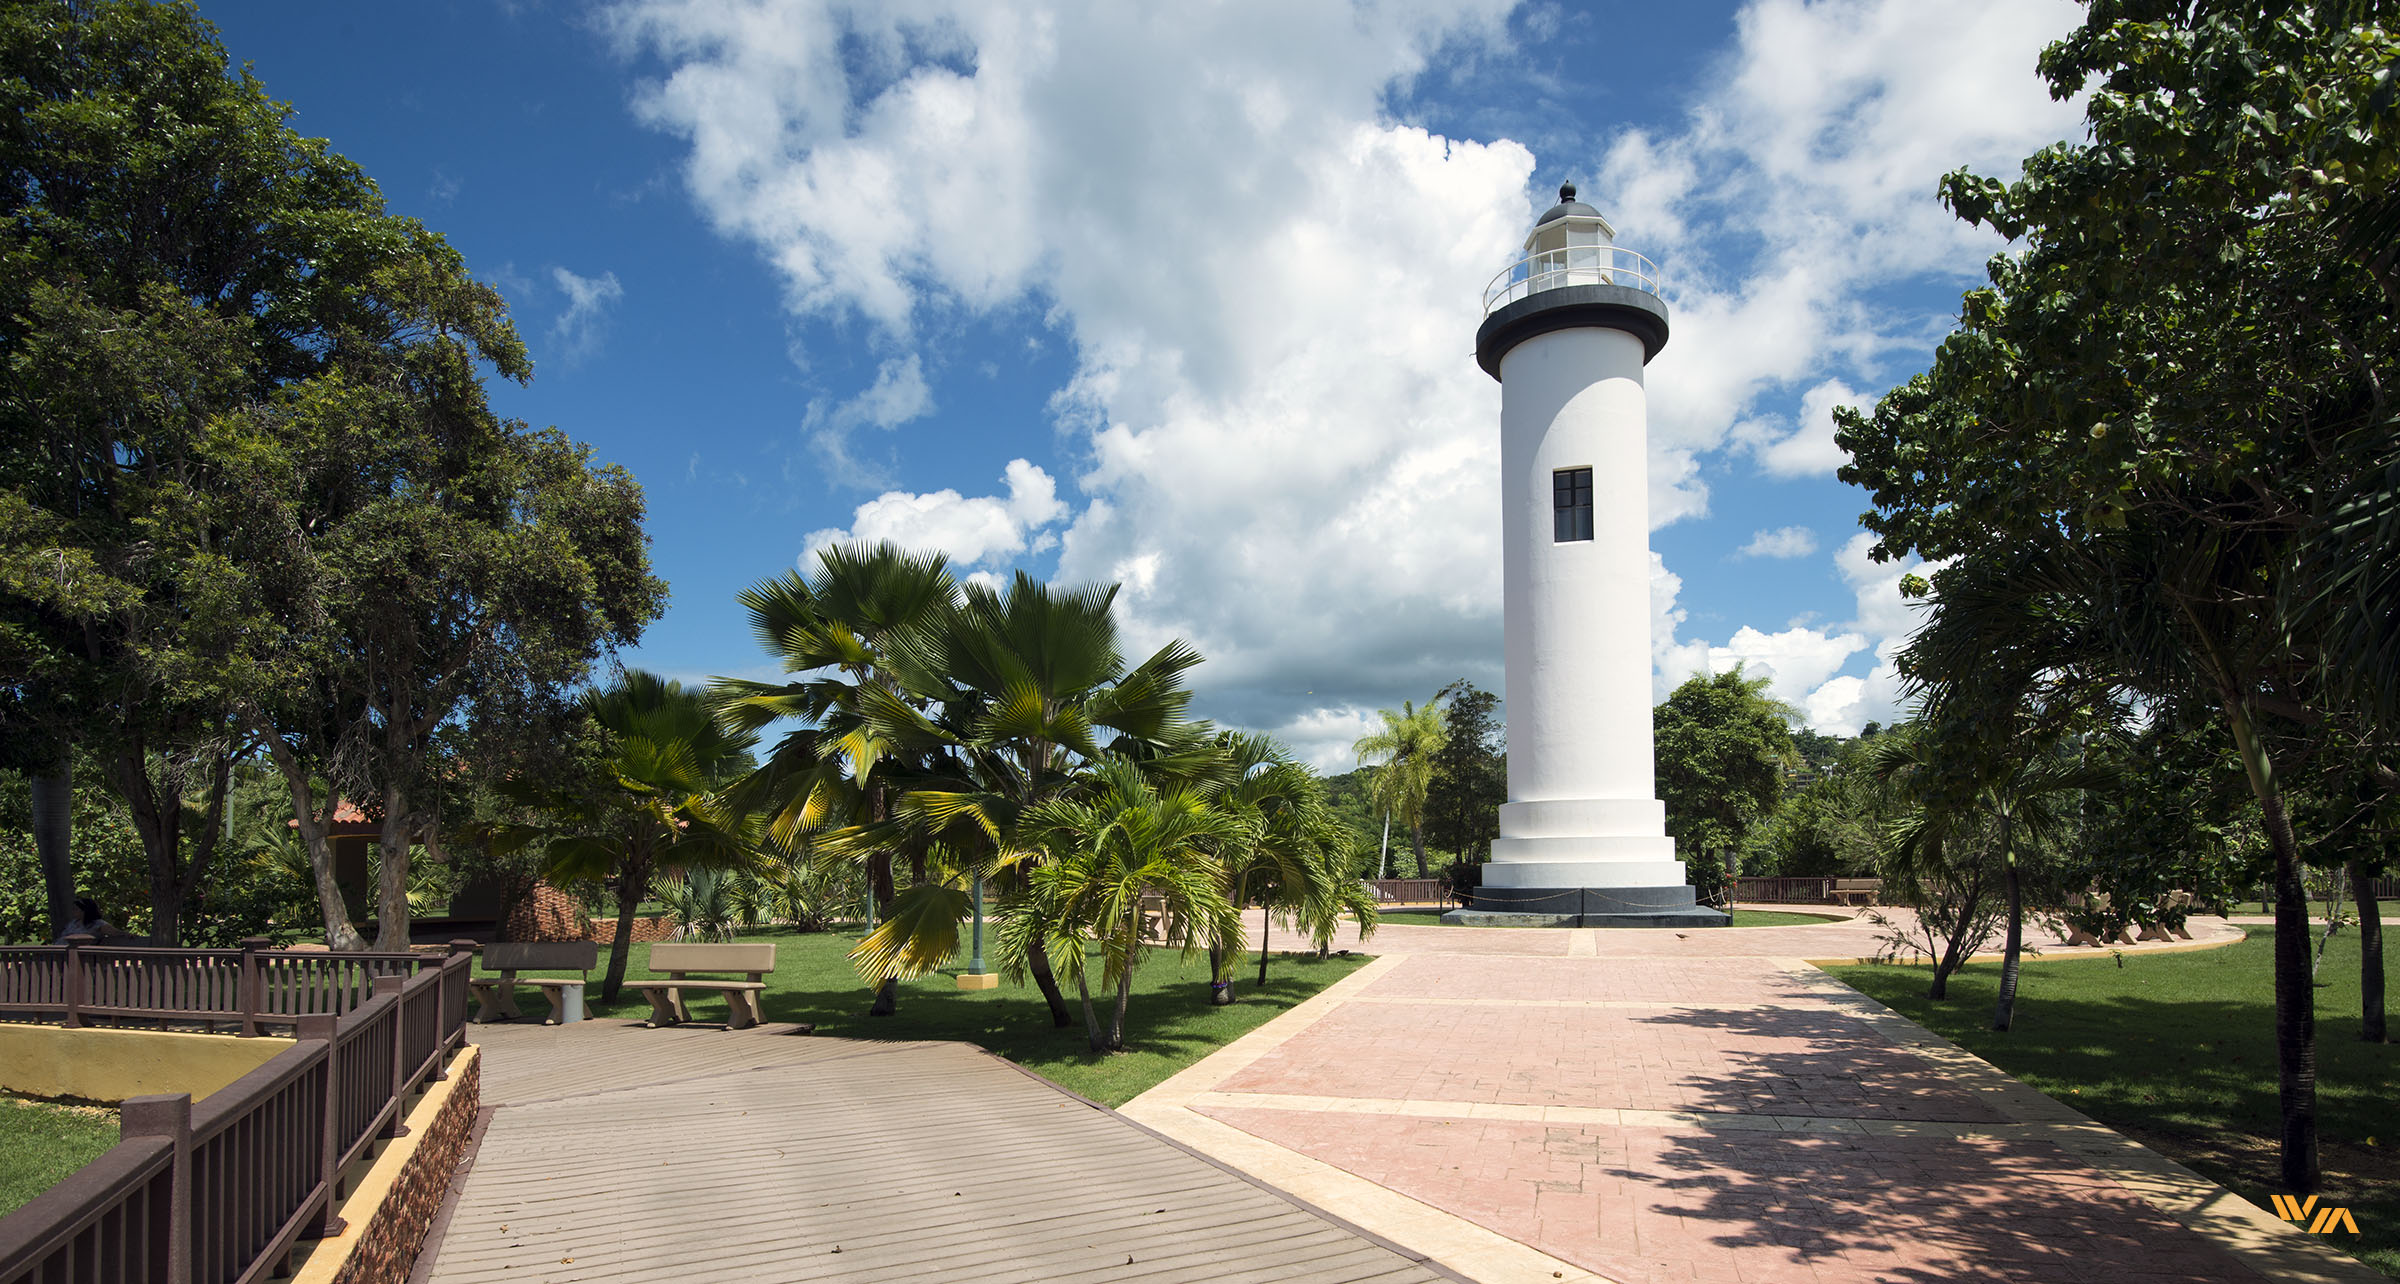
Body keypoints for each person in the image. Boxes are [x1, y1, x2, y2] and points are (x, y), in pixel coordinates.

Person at [54, 897, 122, 943]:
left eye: (76, 909)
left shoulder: (97, 924)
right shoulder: (73, 923)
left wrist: (128, 935)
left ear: (84, 910)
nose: (73, 911)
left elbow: (115, 932)